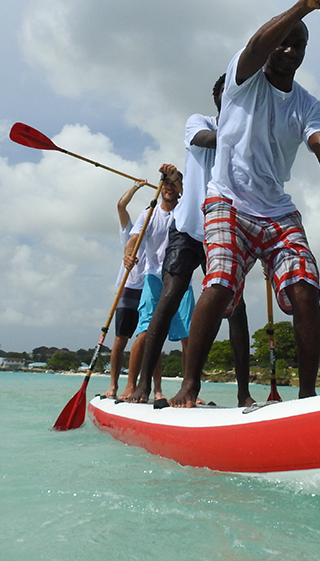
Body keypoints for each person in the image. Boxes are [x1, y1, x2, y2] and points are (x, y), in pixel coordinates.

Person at [170, 0, 320, 408]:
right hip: (227, 202)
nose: (289, 50)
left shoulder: (307, 104)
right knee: (220, 282)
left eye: (298, 45)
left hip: (277, 211)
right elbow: (260, 43)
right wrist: (303, 7)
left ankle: (308, 395)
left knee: (305, 289)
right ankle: (189, 386)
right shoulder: (245, 78)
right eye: (284, 42)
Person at [125, 75, 255, 407]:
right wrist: (246, 128)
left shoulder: (250, 133)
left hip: (226, 229)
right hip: (188, 229)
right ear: (219, 99)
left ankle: (243, 393)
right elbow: (205, 140)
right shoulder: (198, 122)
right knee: (169, 299)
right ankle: (141, 386)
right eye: (232, 94)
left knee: (235, 310)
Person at [118, 166, 192, 401]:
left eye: (173, 184)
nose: (169, 187)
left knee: (188, 337)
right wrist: (128, 255)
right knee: (144, 332)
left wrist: (176, 176)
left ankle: (190, 388)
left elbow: (189, 193)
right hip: (153, 278)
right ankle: (131, 385)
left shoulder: (186, 210)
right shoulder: (149, 213)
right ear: (160, 189)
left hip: (182, 278)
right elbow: (132, 239)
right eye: (165, 184)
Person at [104, 179, 149, 398]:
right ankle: (113, 386)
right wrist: (136, 186)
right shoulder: (129, 232)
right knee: (120, 340)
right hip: (128, 288)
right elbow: (121, 206)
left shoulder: (158, 234)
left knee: (146, 338)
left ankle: (141, 387)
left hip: (148, 290)